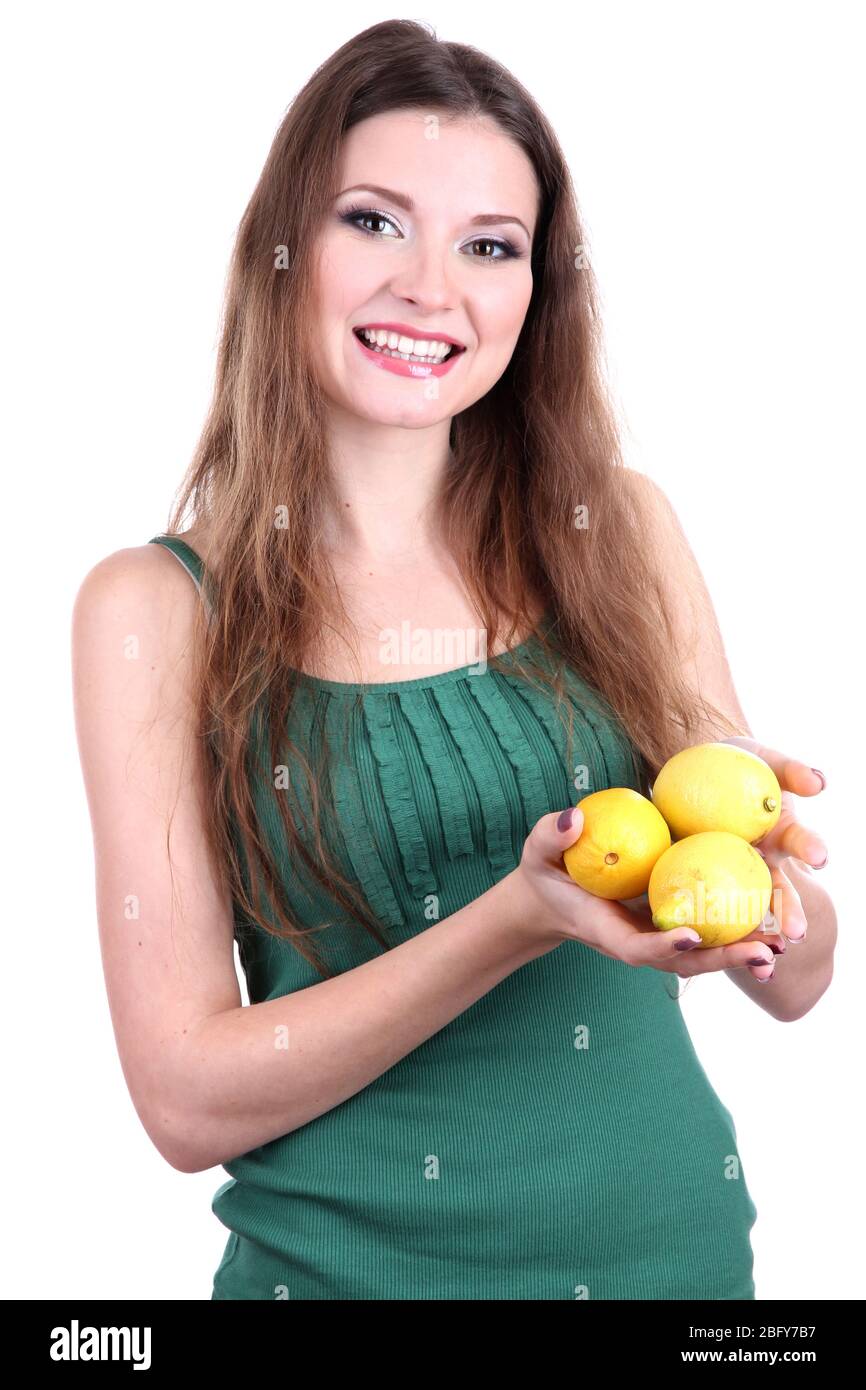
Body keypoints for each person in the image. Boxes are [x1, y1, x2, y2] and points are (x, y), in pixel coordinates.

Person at [71, 19, 834, 1300]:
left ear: (537, 291)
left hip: (684, 1280)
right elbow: (183, 1102)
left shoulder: (620, 533)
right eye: (373, 221)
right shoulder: (154, 609)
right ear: (281, 246)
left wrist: (771, 905)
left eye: (490, 246)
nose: (431, 288)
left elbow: (798, 983)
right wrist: (514, 919)